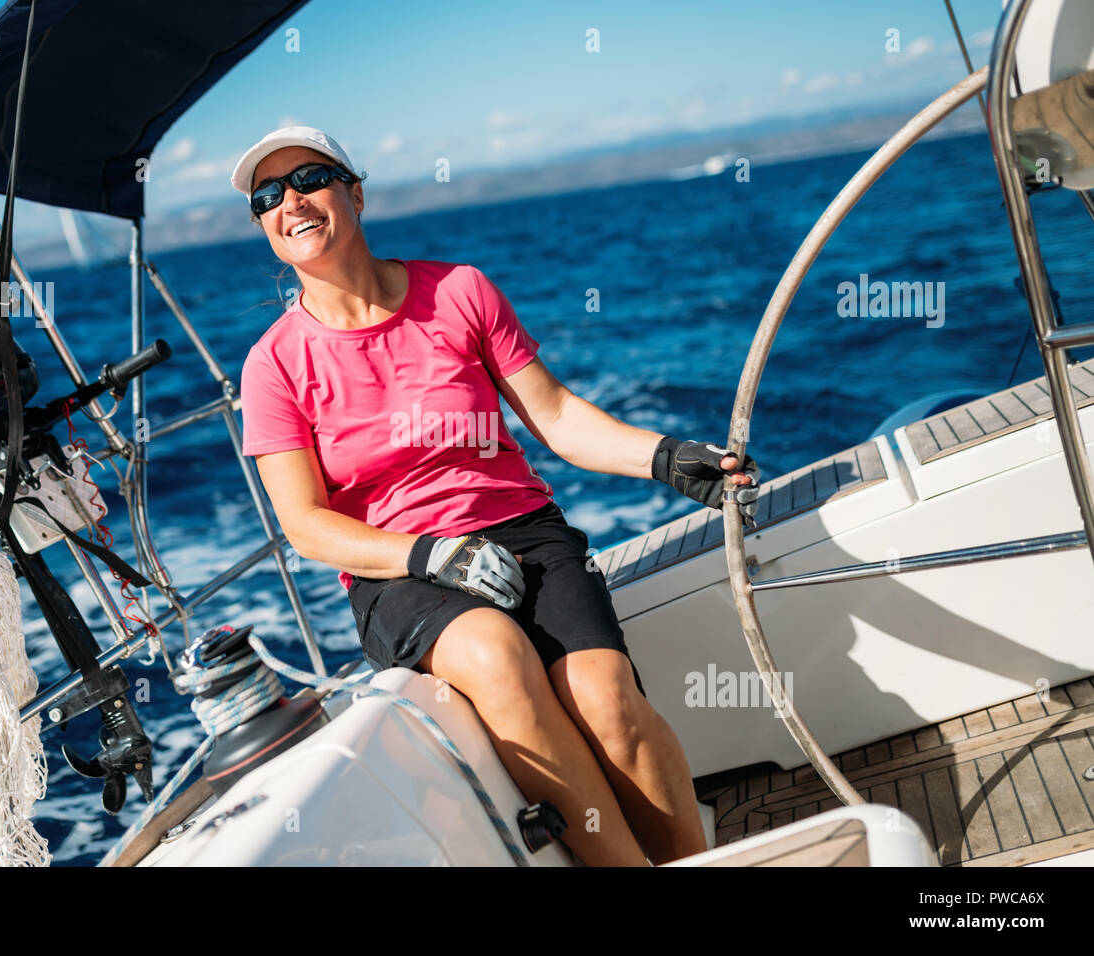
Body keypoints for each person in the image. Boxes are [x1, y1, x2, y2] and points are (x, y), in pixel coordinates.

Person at [231, 126, 761, 867]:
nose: (291, 201)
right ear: (262, 226)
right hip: (402, 572)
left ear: (354, 190)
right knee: (493, 653)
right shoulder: (273, 366)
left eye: (310, 178)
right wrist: (432, 554)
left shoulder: (459, 291)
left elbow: (558, 417)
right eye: (267, 196)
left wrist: (666, 457)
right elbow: (307, 527)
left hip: (521, 529)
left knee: (606, 697)